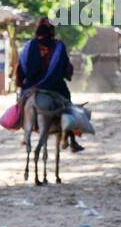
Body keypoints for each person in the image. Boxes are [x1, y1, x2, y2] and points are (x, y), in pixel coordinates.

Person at [15, 18, 85, 152]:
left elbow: (21, 68)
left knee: (21, 102)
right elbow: (66, 68)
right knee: (67, 103)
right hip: (54, 86)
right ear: (52, 31)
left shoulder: (29, 45)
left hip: (31, 87)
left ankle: (25, 133)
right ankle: (71, 140)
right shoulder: (58, 46)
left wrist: (21, 83)